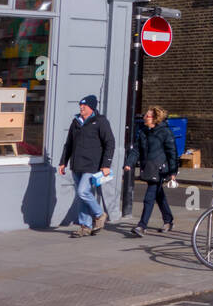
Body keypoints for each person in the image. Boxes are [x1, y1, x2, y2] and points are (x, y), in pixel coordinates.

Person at [58, 94, 116, 237]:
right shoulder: (76, 122)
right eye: (80, 105)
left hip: (92, 164)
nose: (81, 107)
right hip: (77, 164)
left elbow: (110, 143)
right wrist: (63, 162)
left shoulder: (100, 121)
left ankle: (99, 214)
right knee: (82, 196)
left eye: (85, 105)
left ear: (92, 107)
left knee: (83, 191)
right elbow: (69, 144)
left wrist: (106, 164)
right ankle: (85, 226)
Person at [124, 105, 178, 237]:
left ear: (154, 118)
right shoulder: (143, 132)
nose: (144, 117)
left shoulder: (165, 132)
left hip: (160, 169)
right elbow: (136, 150)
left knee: (149, 197)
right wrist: (129, 163)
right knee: (159, 196)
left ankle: (142, 226)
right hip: (148, 168)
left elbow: (172, 153)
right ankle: (168, 220)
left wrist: (173, 172)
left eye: (147, 116)